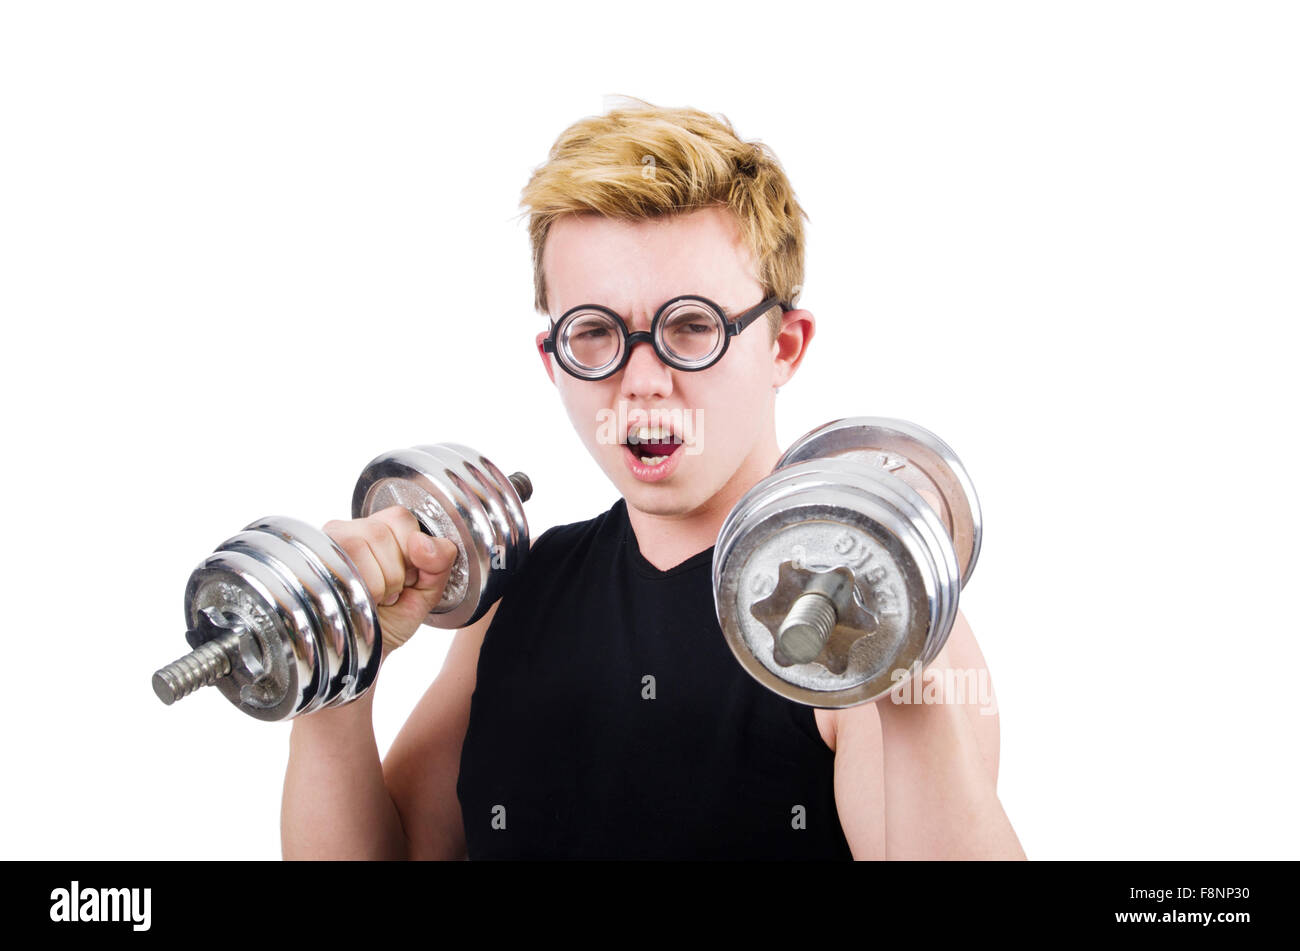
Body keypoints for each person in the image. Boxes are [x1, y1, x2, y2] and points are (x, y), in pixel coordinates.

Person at [281, 99, 1026, 860]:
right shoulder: (516, 603)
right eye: (596, 332)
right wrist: (338, 656)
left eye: (692, 325)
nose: (642, 379)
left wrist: (906, 669)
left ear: (785, 347)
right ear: (553, 360)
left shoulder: (874, 615)